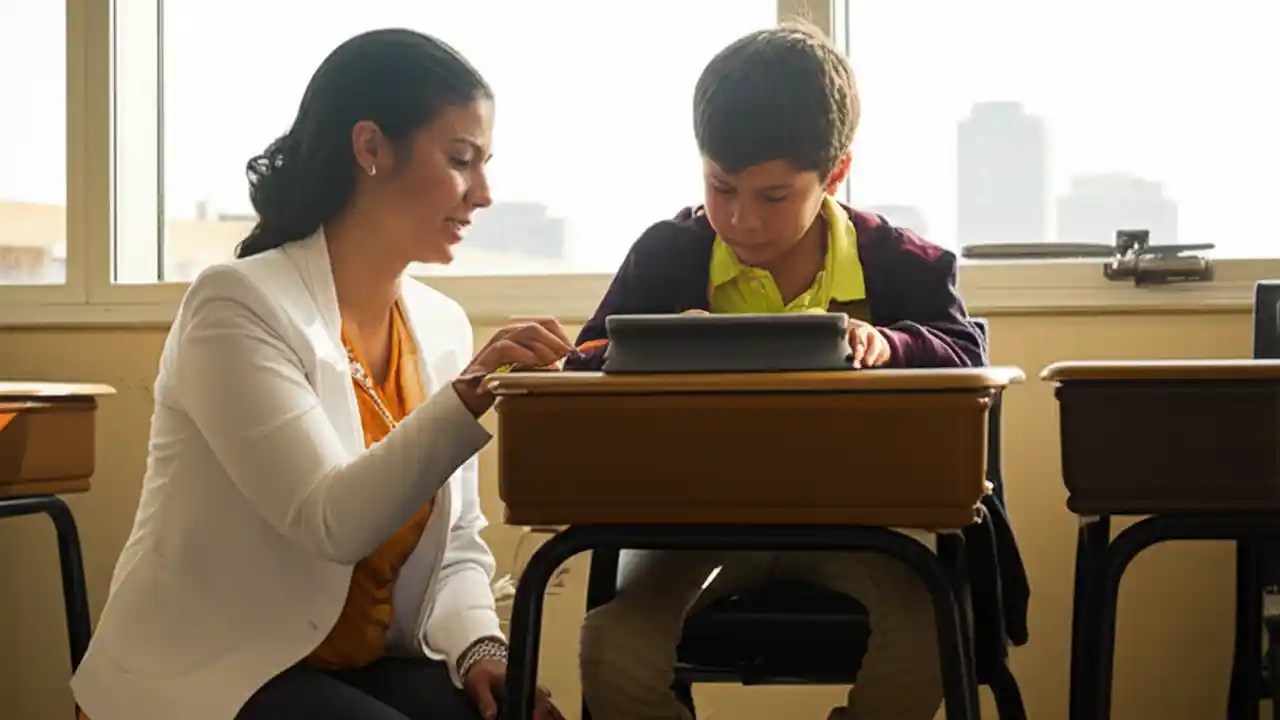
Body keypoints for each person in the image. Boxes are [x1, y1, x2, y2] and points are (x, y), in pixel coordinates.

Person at [71, 29, 568, 720]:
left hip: (356, 666)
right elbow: (330, 521)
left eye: (485, 164)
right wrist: (468, 395)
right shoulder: (236, 304)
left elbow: (456, 545)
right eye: (461, 160)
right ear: (370, 148)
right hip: (212, 673)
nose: (483, 193)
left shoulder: (442, 325)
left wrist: (481, 648)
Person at [571, 22, 987, 720]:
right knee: (613, 647)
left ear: (835, 174)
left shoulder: (904, 264)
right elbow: (583, 362)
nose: (741, 220)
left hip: (866, 526)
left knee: (932, 633)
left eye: (773, 196)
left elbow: (966, 355)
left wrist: (891, 346)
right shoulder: (668, 256)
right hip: (694, 526)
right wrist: (654, 348)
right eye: (720, 186)